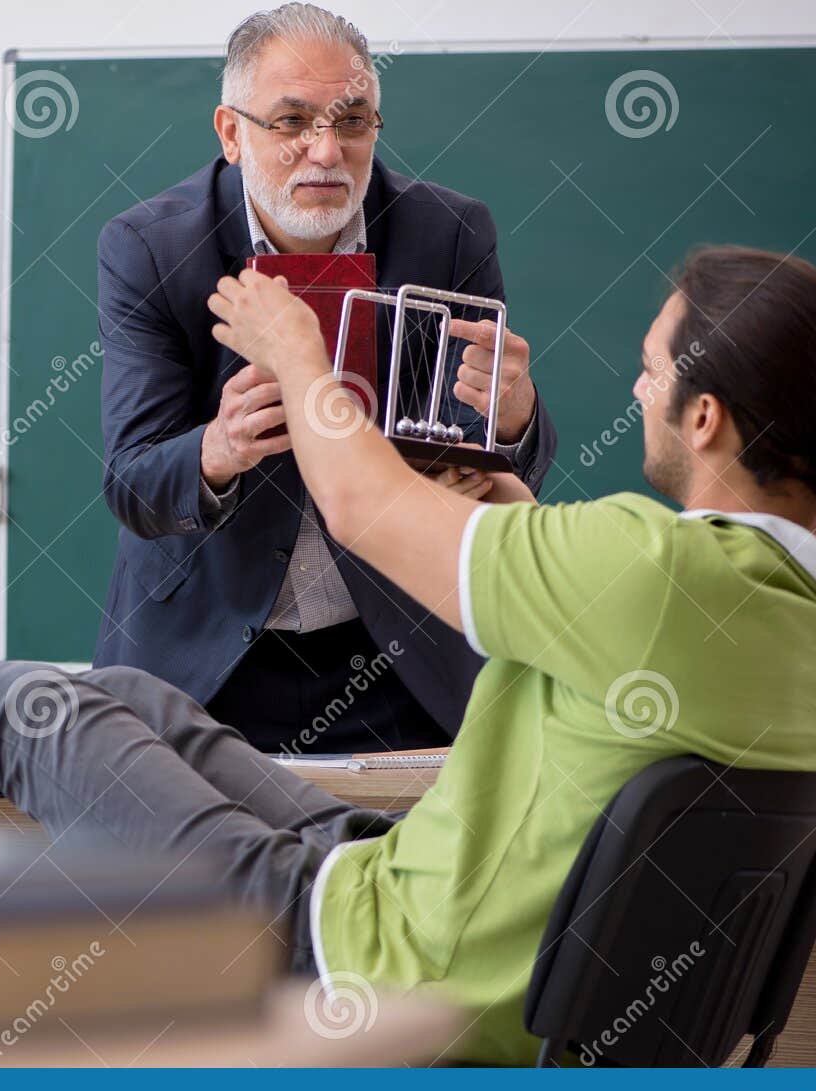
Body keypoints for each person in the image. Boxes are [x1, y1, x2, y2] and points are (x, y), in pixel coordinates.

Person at [0, 245, 816, 1065]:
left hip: (377, 961)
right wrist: (511, 519)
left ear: (706, 416)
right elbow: (630, 649)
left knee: (42, 727)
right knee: (127, 700)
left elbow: (362, 509)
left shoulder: (649, 570)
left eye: (650, 372)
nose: (633, 392)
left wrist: (296, 351)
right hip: (448, 922)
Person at [93, 4, 557, 753]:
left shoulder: (448, 232)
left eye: (352, 121)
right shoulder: (150, 248)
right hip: (207, 654)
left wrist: (512, 419)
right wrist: (215, 451)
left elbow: (498, 475)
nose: (326, 151)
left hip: (400, 651)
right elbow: (133, 484)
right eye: (292, 121)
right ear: (231, 133)